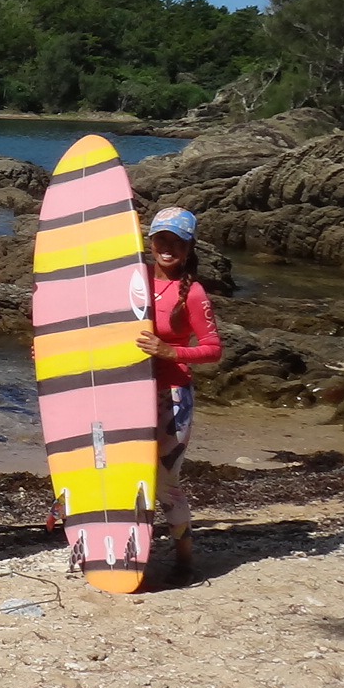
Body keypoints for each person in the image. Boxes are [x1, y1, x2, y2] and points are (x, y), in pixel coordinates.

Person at [134, 207, 221, 587]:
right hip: (126, 393)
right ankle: (133, 555)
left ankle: (184, 559)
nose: (168, 247)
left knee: (166, 481)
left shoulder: (194, 292)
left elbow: (213, 348)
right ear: (150, 241)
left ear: (189, 247)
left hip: (172, 396)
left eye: (177, 241)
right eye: (162, 239)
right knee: (126, 476)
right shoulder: (132, 281)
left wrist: (171, 352)